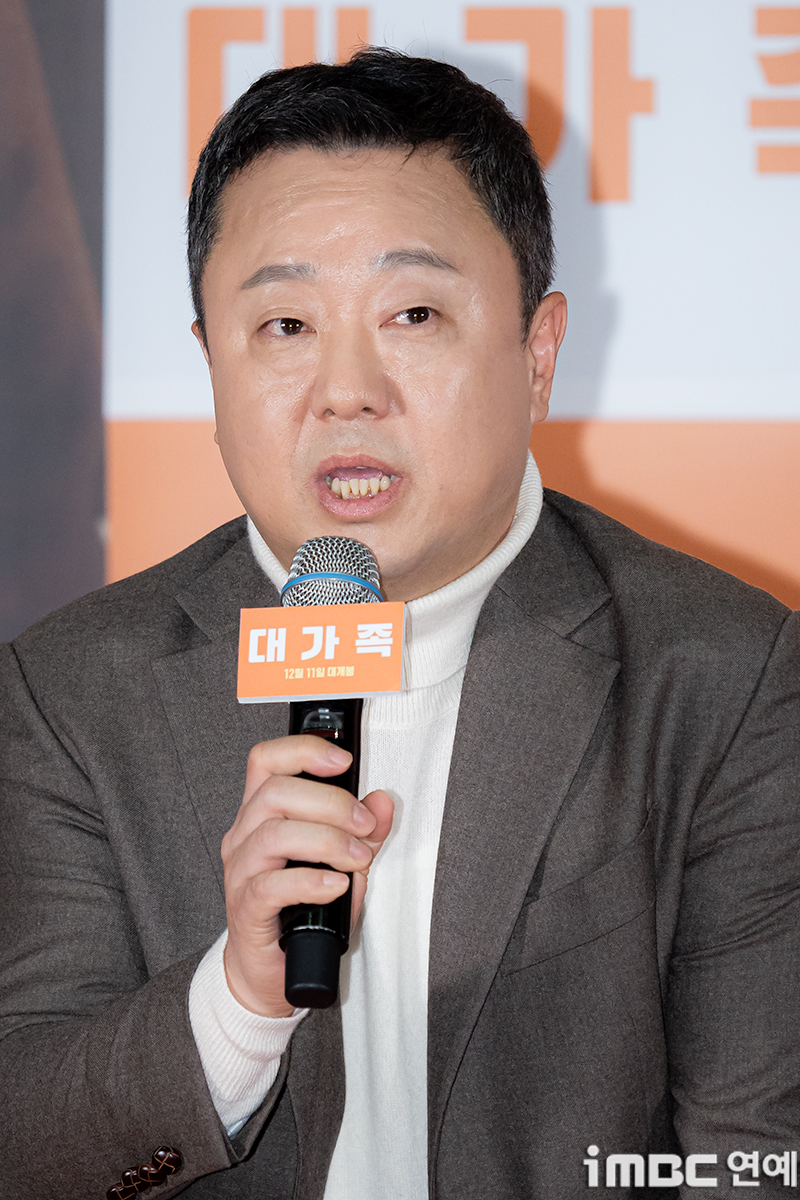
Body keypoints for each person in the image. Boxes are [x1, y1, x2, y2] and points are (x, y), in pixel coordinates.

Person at [1, 48, 798, 1200]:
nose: (345, 392)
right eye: (284, 325)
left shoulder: (721, 676)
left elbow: (753, 1162)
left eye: (412, 313)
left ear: (536, 354)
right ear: (210, 364)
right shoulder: (68, 690)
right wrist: (234, 1004)